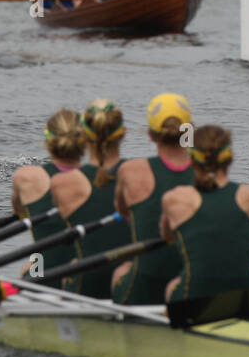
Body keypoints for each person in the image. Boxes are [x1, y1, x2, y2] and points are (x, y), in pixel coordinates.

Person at [160, 125, 249, 304]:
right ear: (230, 159)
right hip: (246, 300)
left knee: (171, 287)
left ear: (191, 161)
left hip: (193, 301)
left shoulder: (174, 199)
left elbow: (168, 237)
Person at [111, 93, 195, 306]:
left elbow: (123, 213)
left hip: (143, 291)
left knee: (121, 270)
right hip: (192, 287)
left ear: (150, 134)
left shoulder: (130, 170)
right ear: (189, 130)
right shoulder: (210, 174)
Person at [50, 101, 129, 298]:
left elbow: (57, 245)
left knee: (39, 265)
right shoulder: (142, 171)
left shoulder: (62, 182)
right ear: (123, 133)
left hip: (86, 284)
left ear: (83, 137)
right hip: (132, 279)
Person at [11, 109, 87, 286]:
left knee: (31, 265)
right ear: (85, 142)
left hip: (42, 277)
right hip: (86, 279)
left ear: (47, 141)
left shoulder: (25, 178)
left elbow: (19, 213)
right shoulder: (103, 178)